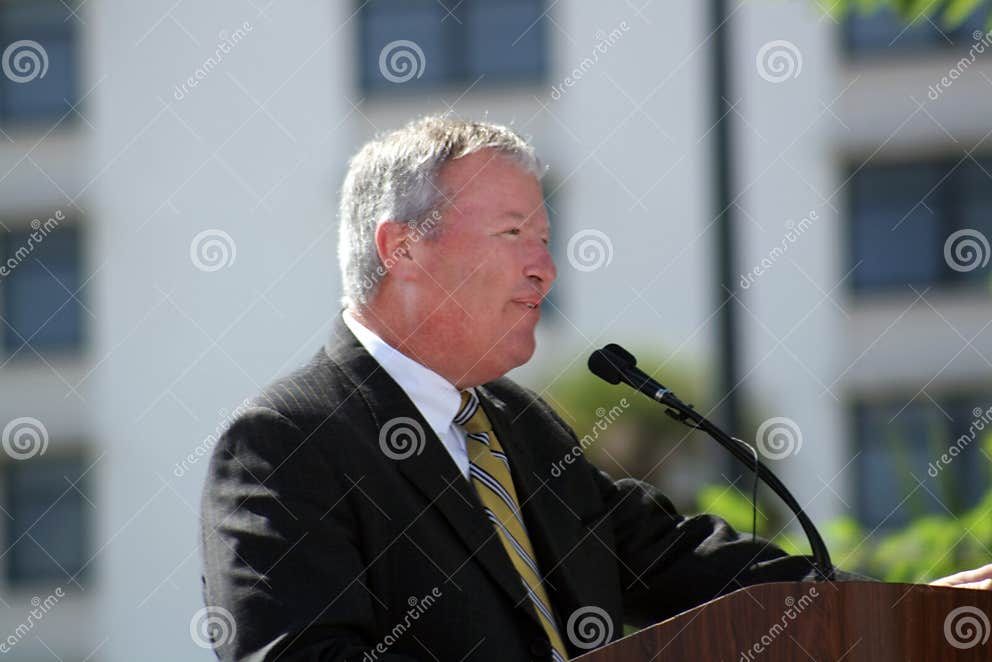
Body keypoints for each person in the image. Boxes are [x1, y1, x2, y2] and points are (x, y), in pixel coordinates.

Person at [199, 115, 992, 662]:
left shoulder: (518, 423)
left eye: (545, 239)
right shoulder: (284, 441)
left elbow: (673, 559)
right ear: (402, 247)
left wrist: (893, 611)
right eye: (513, 235)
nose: (544, 265)